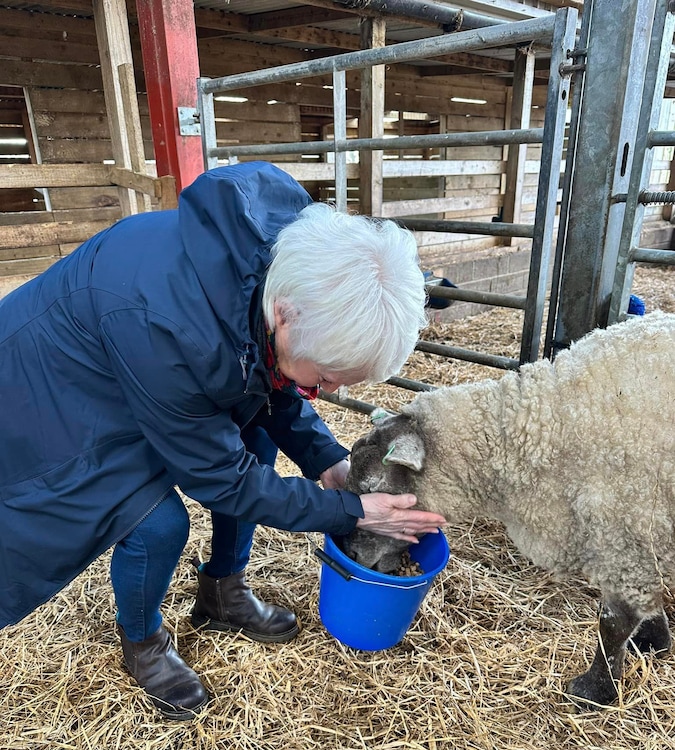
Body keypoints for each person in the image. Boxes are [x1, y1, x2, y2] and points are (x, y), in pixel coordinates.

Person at [0, 161, 446, 720]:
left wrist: (327, 461)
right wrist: (349, 511)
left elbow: (266, 377)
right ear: (283, 315)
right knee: (154, 522)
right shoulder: (172, 327)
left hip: (138, 364)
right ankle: (143, 644)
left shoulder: (288, 264)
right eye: (329, 376)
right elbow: (222, 479)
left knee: (255, 436)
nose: (328, 391)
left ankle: (222, 592)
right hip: (51, 392)